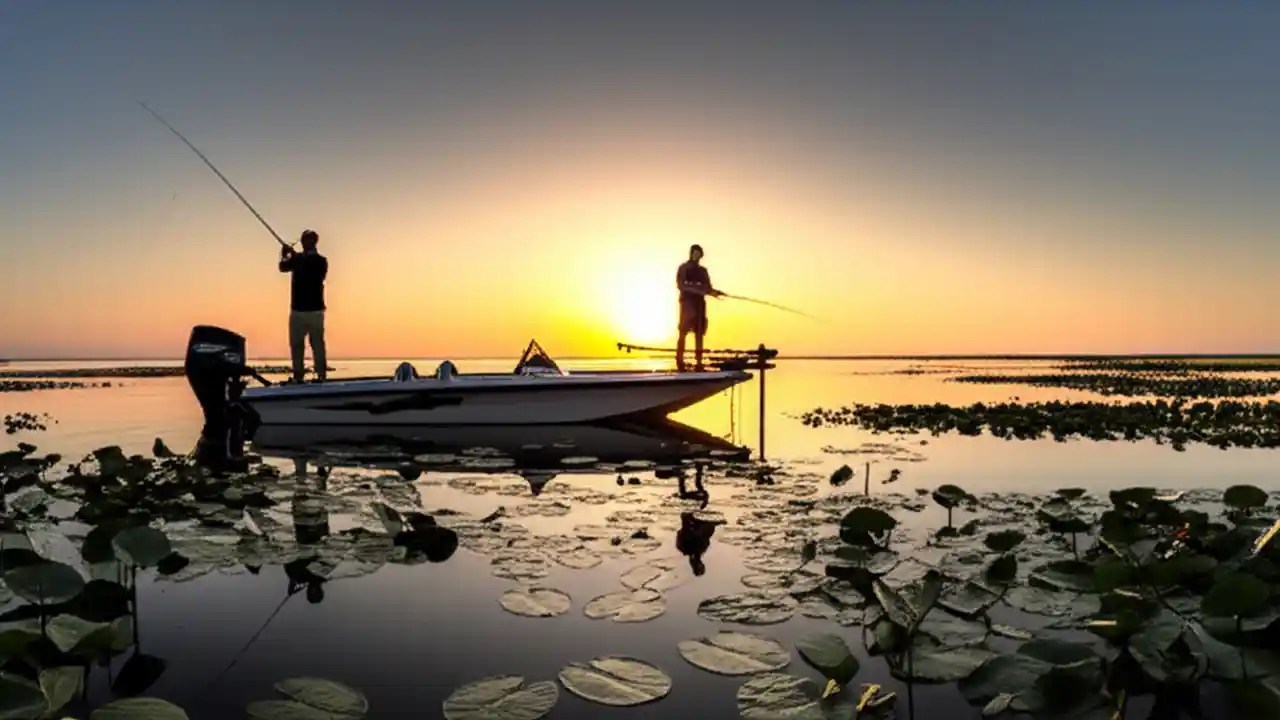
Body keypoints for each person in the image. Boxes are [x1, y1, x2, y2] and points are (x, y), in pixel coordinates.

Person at [278, 230, 328, 383]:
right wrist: (285, 254)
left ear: (313, 242)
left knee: (317, 344)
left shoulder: (321, 261)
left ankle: (321, 374)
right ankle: (298, 375)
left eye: (306, 240)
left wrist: (293, 256)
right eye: (303, 240)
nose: (304, 243)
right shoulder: (297, 259)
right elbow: (282, 267)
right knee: (296, 344)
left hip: (315, 311)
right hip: (297, 310)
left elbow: (310, 272)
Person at [675, 244, 722, 371]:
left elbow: (708, 287)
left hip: (700, 304)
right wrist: (698, 290)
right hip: (687, 305)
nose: (696, 255)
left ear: (701, 255)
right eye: (695, 253)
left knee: (699, 333)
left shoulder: (703, 271)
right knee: (683, 332)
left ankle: (699, 362)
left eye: (699, 254)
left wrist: (714, 292)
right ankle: (679, 361)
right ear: (691, 253)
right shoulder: (683, 268)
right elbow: (681, 285)